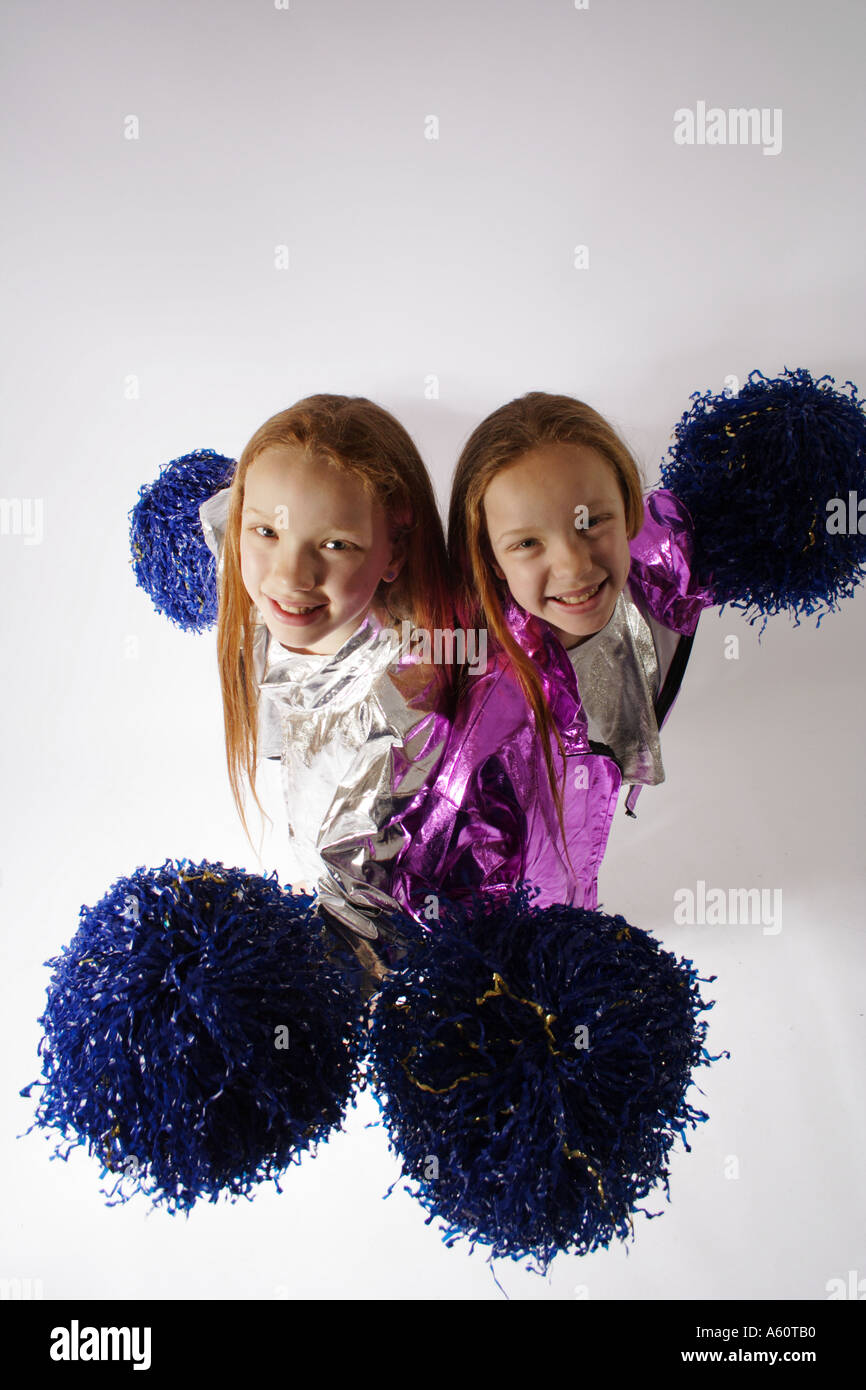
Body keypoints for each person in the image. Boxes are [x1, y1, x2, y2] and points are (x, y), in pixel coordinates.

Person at [392, 391, 716, 914]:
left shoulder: (657, 568)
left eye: (591, 522)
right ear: (491, 559)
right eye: (527, 543)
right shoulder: (461, 678)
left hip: (579, 888)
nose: (573, 566)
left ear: (629, 512)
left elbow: (708, 522)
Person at [198, 394, 454, 982]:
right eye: (264, 531)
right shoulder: (264, 580)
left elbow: (363, 932)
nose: (290, 576)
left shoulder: (400, 712)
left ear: (395, 552)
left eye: (336, 544)